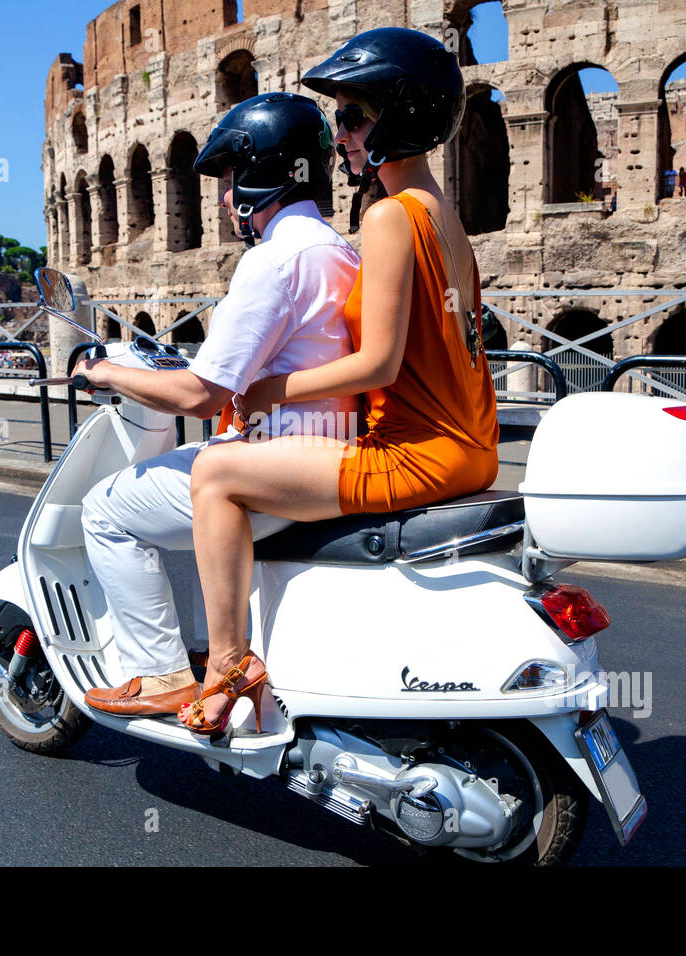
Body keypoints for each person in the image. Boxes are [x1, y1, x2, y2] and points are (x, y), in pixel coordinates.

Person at [177, 28, 500, 734]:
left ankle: (226, 664)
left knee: (215, 475)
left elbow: (378, 364)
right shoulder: (447, 219)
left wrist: (269, 392)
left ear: (401, 116)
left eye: (353, 117)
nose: (340, 137)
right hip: (471, 447)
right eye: (339, 121)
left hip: (415, 455)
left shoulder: (388, 216)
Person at [71, 92, 361, 717]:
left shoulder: (272, 261)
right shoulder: (340, 252)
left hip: (271, 468)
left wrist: (106, 372)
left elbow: (201, 397)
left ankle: (160, 675)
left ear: (263, 172)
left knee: (102, 510)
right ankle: (212, 654)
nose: (225, 197)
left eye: (230, 178)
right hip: (329, 454)